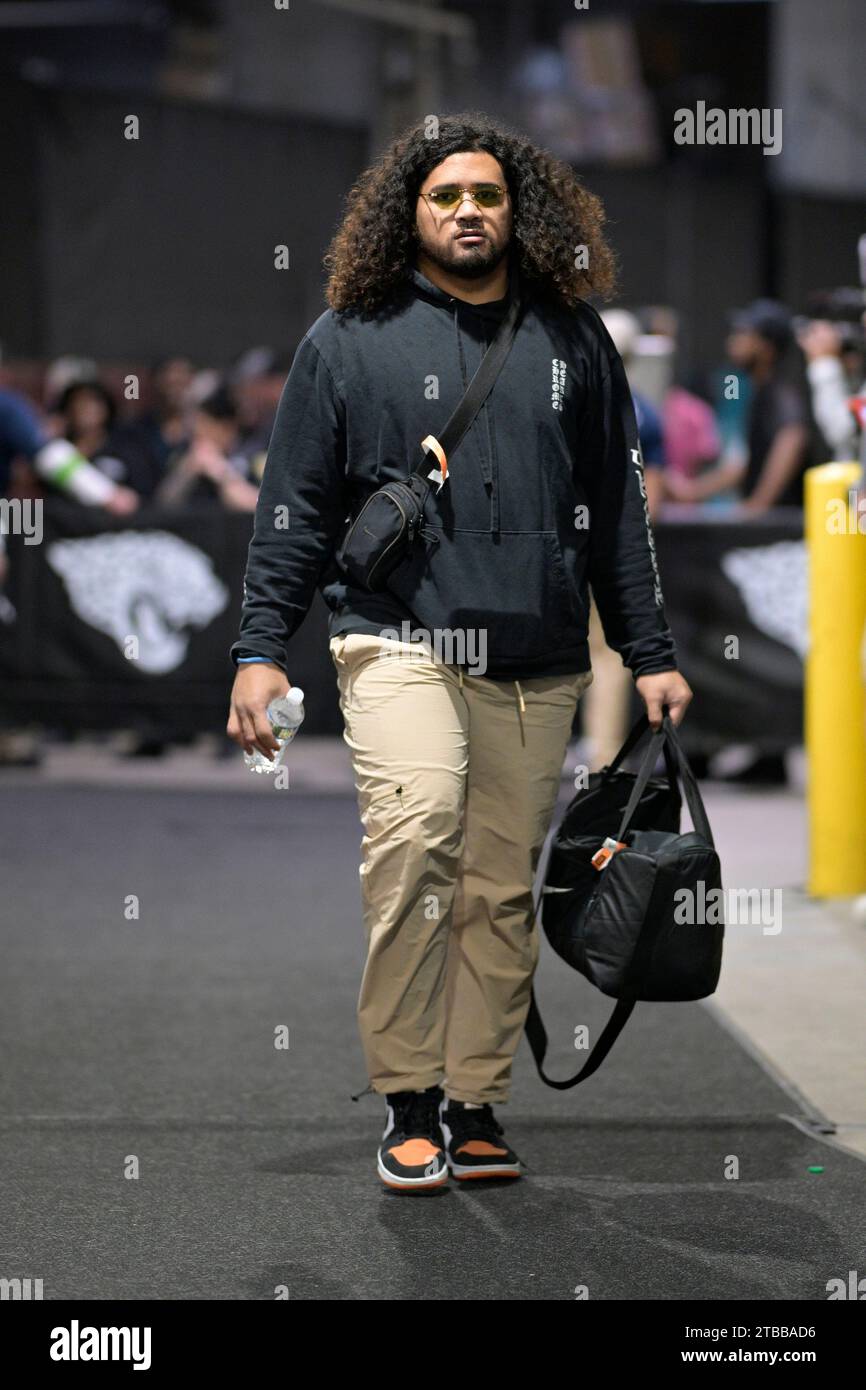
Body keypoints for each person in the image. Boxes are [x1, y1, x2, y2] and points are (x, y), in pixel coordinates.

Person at [226, 113, 692, 1193]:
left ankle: (473, 1101)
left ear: (517, 211)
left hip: (535, 657)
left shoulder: (575, 337)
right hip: (395, 639)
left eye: (486, 195)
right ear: (411, 212)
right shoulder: (345, 335)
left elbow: (616, 508)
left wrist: (650, 648)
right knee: (420, 829)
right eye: (445, 197)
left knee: (497, 889)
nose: (468, 211)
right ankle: (405, 1098)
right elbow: (292, 506)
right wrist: (260, 648)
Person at [667, 300, 819, 512]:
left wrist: (758, 505)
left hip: (782, 530)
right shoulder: (755, 394)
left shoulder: (780, 395)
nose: (733, 340)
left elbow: (792, 439)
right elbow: (741, 467)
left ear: (767, 348)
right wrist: (692, 491)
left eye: (744, 334)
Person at [154, 386, 259, 511]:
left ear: (226, 428)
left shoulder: (251, 453)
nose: (198, 433)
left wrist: (219, 470)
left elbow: (259, 506)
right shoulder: (185, 453)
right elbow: (163, 503)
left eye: (206, 427)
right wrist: (187, 470)